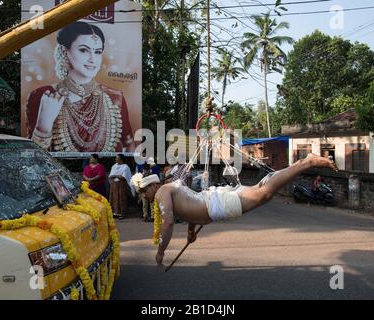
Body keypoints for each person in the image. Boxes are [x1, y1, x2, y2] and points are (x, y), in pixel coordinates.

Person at [131, 153, 338, 265]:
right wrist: (191, 230)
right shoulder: (170, 188)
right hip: (212, 201)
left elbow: (167, 223)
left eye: (143, 192)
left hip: (215, 204)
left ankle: (306, 163)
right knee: (260, 191)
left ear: (151, 186)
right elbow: (190, 204)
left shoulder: (161, 193)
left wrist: (160, 252)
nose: (143, 197)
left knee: (263, 194)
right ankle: (302, 163)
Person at [25, 21, 135, 153]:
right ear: (65, 51)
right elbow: (33, 155)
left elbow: (128, 145)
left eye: (98, 52)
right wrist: (43, 127)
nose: (92, 59)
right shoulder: (45, 95)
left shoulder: (114, 98)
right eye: (84, 50)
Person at [109, 154, 132, 219]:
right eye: (116, 158)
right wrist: (116, 176)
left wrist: (115, 175)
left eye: (117, 158)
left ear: (121, 159)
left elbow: (123, 177)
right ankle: (115, 213)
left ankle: (122, 214)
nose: (115, 159)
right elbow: (110, 176)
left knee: (121, 199)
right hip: (114, 185)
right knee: (113, 199)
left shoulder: (125, 167)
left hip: (121, 185)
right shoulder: (114, 166)